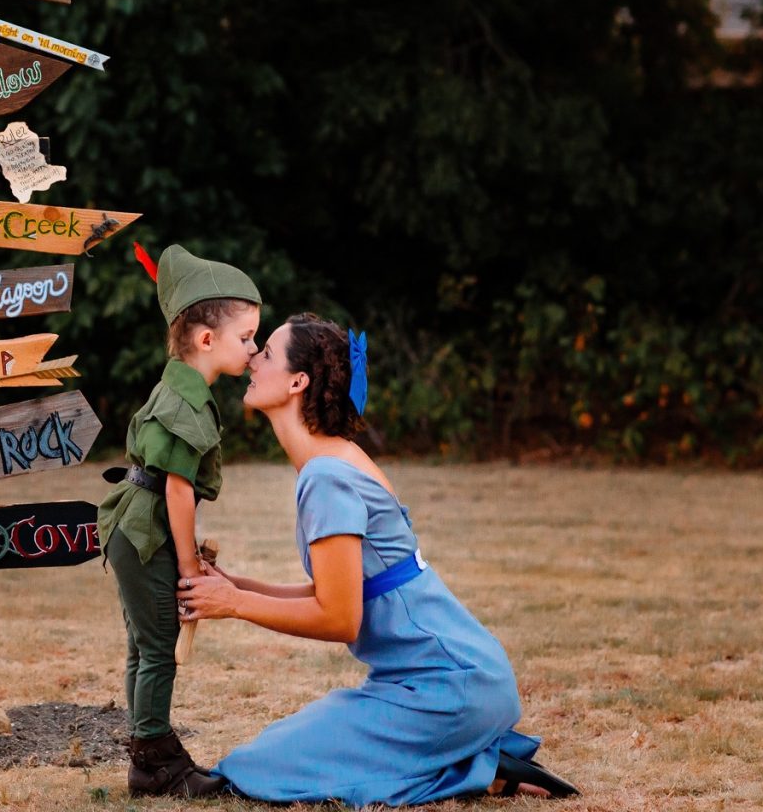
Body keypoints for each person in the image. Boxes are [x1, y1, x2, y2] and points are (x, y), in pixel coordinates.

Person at [178, 313, 580, 803]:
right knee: (282, 751)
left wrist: (235, 604)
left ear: (297, 382)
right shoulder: (335, 461)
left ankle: (484, 764)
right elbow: (345, 590)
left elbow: (340, 617)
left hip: (449, 687)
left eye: (266, 355)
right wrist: (234, 586)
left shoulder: (326, 477)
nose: (252, 360)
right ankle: (478, 759)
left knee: (258, 768)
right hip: (447, 678)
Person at [96, 244, 261, 797]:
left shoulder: (183, 389)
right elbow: (178, 489)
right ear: (206, 341)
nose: (254, 349)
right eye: (246, 338)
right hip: (145, 536)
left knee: (145, 645)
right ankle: (153, 762)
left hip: (136, 531)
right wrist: (189, 565)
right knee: (159, 643)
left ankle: (150, 749)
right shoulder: (186, 404)